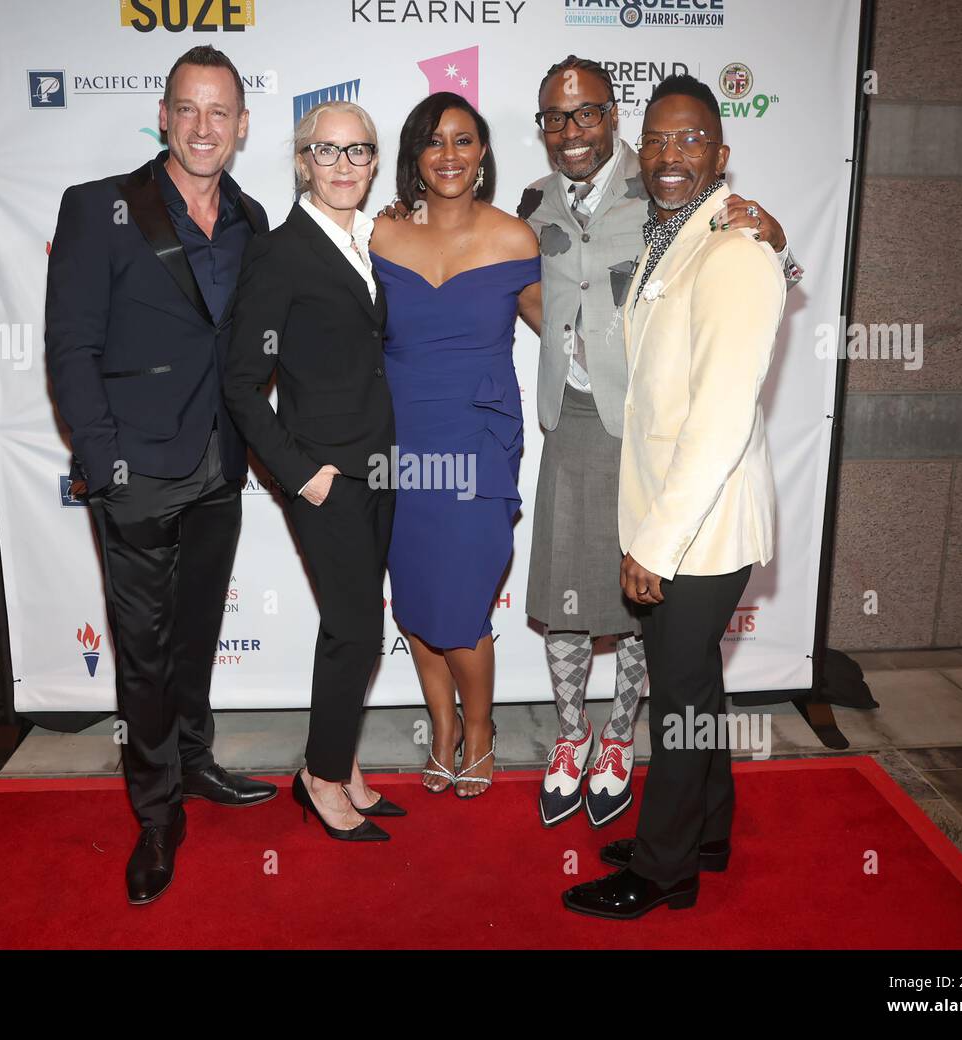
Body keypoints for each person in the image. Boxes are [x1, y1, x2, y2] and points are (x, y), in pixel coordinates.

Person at [516, 56, 800, 829]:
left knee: (650, 613)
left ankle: (618, 742)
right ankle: (572, 738)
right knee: (569, 600)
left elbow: (748, 273)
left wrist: (776, 238)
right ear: (542, 127)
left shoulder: (666, 192)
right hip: (573, 423)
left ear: (613, 117)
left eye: (586, 114)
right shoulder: (531, 202)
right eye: (555, 117)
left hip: (648, 438)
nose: (571, 131)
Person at [45, 46, 277, 906]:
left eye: (220, 112)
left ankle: (193, 758)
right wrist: (101, 459)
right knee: (141, 653)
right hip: (135, 470)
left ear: (242, 125)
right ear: (164, 115)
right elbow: (71, 344)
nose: (204, 127)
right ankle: (154, 811)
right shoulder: (100, 207)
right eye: (189, 109)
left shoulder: (252, 217)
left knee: (193, 635)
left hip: (219, 464)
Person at [224, 101, 405, 841]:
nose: (342, 165)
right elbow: (241, 381)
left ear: (372, 161)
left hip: (380, 469)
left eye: (358, 151)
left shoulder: (368, 240)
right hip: (326, 477)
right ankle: (320, 776)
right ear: (302, 161)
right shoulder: (279, 251)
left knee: (352, 627)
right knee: (358, 631)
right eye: (325, 151)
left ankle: (343, 761)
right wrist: (299, 473)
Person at [369, 92, 540, 798]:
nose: (449, 154)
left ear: (483, 155)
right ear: (414, 157)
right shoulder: (379, 238)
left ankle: (480, 730)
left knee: (463, 606)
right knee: (413, 604)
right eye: (434, 142)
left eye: (464, 141)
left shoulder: (514, 239)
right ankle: (440, 731)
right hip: (401, 441)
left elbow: (566, 337)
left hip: (477, 442)